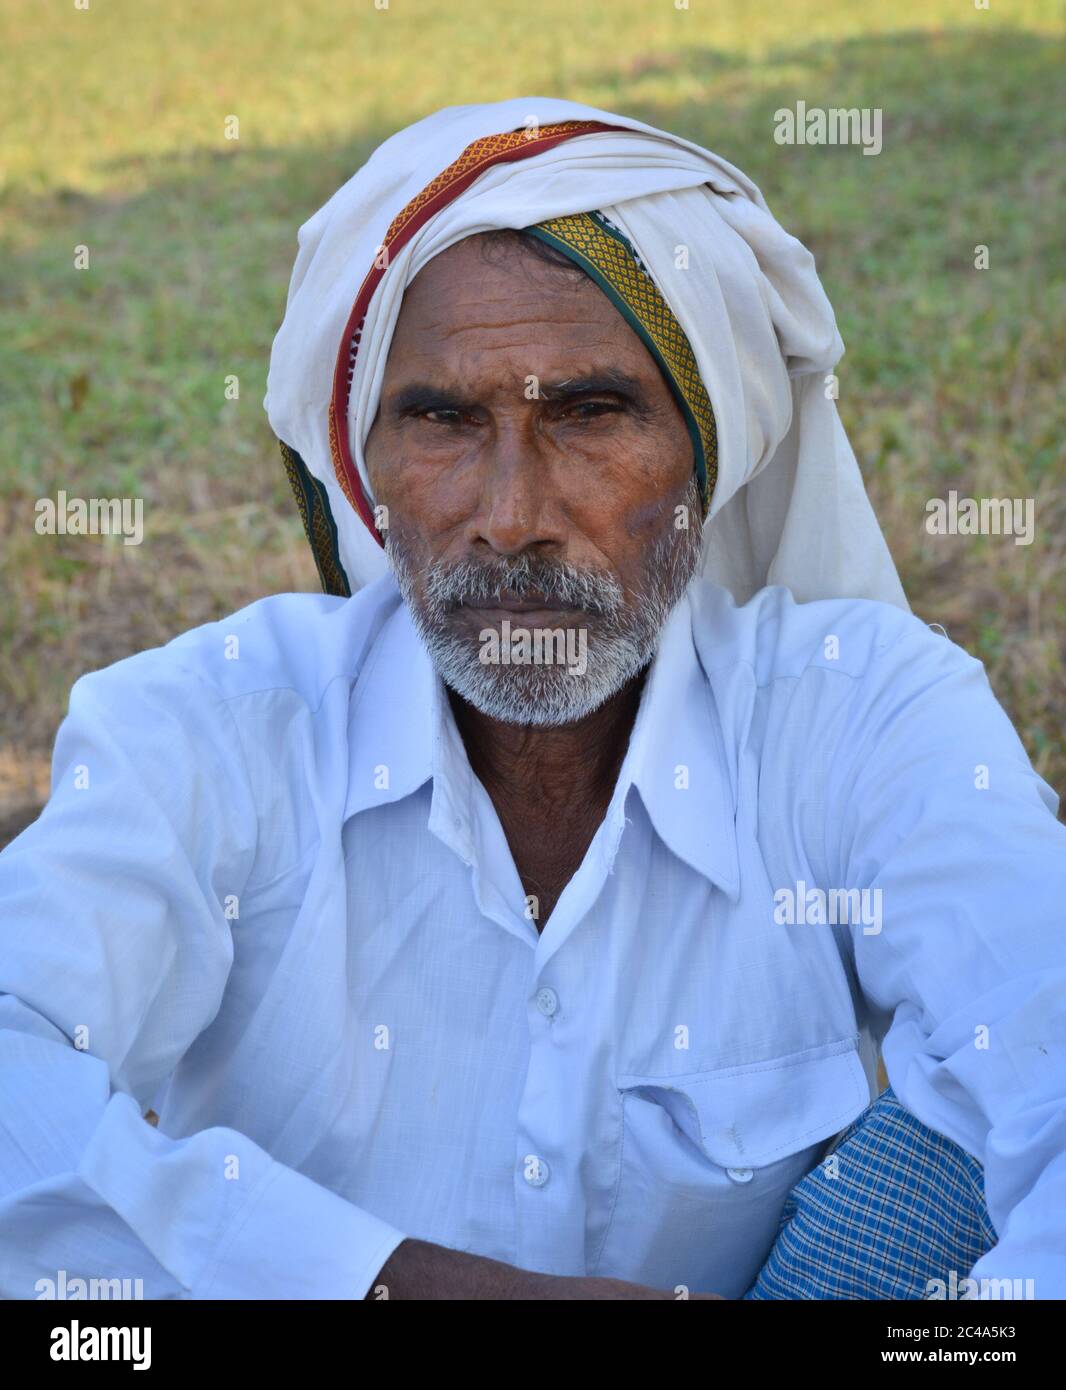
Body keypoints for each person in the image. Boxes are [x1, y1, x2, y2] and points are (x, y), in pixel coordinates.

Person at [1, 98, 1063, 1301]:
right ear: (371, 472)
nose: (512, 516)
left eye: (589, 414)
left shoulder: (867, 720)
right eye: (445, 421)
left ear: (702, 463)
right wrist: (399, 1286)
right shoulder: (202, 730)